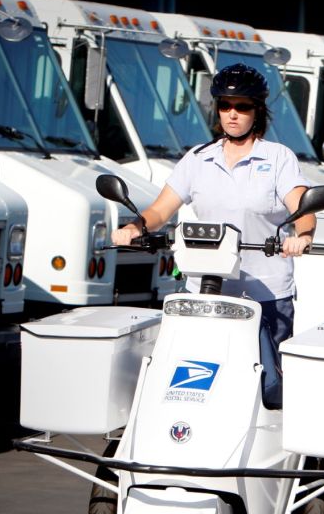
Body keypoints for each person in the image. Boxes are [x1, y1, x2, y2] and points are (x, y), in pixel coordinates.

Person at [110, 63, 311, 408]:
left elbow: (303, 208)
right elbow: (160, 210)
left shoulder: (278, 158)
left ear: (257, 110)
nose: (233, 114)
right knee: (191, 379)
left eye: (243, 106)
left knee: (267, 387)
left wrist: (302, 236)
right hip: (204, 290)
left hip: (264, 291)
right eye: (225, 105)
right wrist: (134, 227)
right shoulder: (198, 159)